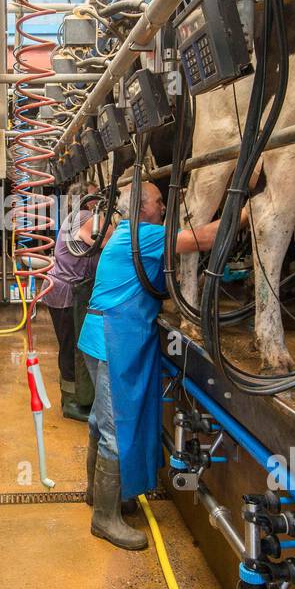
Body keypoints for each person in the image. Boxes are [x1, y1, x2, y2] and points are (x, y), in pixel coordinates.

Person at [77, 180, 244, 550]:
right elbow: (202, 238)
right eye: (158, 201)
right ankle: (104, 519)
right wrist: (251, 210)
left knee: (100, 422)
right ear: (141, 207)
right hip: (112, 338)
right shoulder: (141, 235)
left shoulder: (125, 234)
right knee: (116, 430)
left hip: (102, 336)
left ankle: (98, 494)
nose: (164, 208)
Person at [42, 182, 101, 422]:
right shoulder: (86, 217)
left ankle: (71, 398)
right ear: (88, 200)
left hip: (60, 289)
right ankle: (72, 402)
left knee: (69, 346)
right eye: (98, 195)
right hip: (66, 292)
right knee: (70, 348)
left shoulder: (74, 216)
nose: (102, 201)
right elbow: (103, 240)